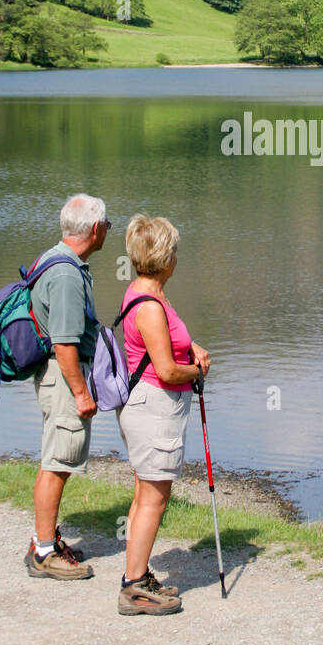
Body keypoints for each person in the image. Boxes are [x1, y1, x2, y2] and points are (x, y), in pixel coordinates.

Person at [116, 213, 210, 615]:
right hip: (154, 410)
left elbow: (167, 347)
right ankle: (134, 587)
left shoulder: (145, 292)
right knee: (154, 498)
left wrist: (192, 348)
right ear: (164, 256)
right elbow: (167, 370)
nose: (178, 256)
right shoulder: (150, 305)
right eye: (175, 250)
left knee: (145, 493)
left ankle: (135, 575)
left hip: (148, 407)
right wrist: (198, 371)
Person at [25, 193, 110, 580]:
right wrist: (81, 392)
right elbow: (63, 343)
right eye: (107, 225)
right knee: (57, 463)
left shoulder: (55, 259)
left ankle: (46, 540)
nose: (107, 231)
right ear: (95, 229)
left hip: (57, 377)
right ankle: (44, 553)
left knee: (55, 458)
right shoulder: (65, 274)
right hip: (63, 380)